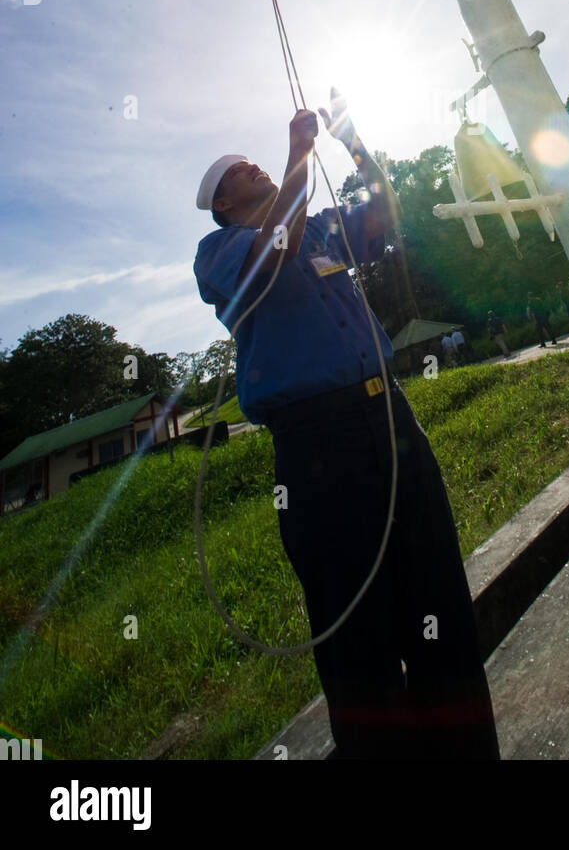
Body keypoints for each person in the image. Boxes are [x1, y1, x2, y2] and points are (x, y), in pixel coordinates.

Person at [193, 92, 499, 760]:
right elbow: (275, 246)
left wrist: (352, 142)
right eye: (242, 169)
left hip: (389, 416)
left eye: (256, 162)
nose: (256, 167)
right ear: (222, 201)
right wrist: (300, 151)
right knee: (353, 625)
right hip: (316, 445)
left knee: (436, 597)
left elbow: (388, 208)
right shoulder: (215, 250)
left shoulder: (326, 227)